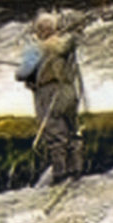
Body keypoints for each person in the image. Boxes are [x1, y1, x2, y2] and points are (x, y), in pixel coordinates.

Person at [15, 11, 84, 182]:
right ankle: (76, 170)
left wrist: (21, 70)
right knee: (72, 130)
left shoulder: (35, 48)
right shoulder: (66, 43)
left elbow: (22, 73)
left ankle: (60, 173)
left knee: (55, 135)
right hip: (69, 91)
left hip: (48, 94)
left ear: (39, 31)